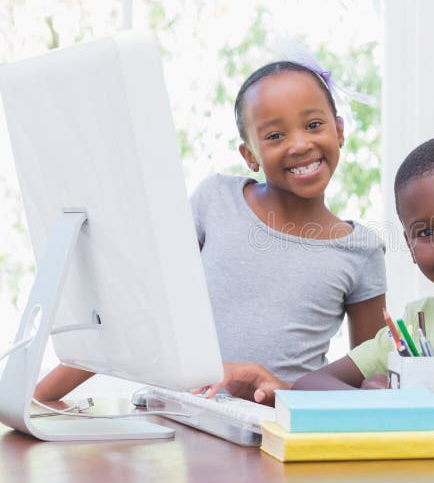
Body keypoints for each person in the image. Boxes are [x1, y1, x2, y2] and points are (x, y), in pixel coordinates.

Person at [34, 60, 387, 402]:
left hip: (281, 432)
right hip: (184, 415)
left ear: (339, 131)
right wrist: (35, 397)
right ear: (250, 155)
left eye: (313, 125)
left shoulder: (361, 251)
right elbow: (137, 307)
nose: (299, 144)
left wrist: (302, 394)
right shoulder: (216, 200)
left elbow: (365, 376)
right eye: (275, 135)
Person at [217, 135, 434, 433]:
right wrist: (377, 400)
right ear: (410, 245)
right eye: (427, 233)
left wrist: (397, 397)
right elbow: (312, 385)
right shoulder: (419, 321)